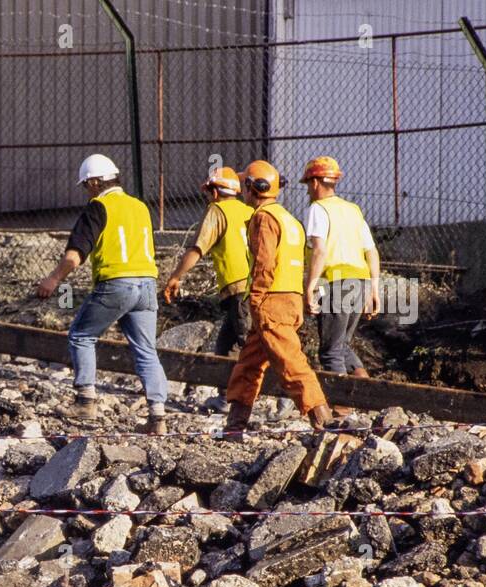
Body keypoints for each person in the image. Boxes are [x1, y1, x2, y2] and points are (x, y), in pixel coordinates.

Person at [36, 154, 169, 434]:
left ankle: (86, 400)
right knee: (146, 350)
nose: (87, 190)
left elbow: (74, 257)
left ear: (95, 182)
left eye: (87, 185)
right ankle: (158, 417)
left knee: (81, 336)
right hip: (147, 284)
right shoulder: (140, 206)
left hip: (116, 283)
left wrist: (52, 280)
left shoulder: (98, 207)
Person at [223, 160, 334, 437]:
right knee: (249, 362)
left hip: (271, 299)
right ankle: (234, 426)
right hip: (289, 298)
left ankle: (323, 418)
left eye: (244, 185)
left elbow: (264, 263)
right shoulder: (289, 218)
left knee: (289, 361)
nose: (242, 190)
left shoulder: (264, 218)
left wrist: (257, 299)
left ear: (253, 188)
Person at [300, 155, 380, 407]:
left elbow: (319, 250)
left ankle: (343, 411)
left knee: (330, 351)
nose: (308, 190)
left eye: (307, 184)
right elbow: (371, 251)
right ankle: (366, 397)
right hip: (361, 282)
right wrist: (374, 288)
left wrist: (310, 285)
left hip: (335, 284)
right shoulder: (352, 210)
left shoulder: (317, 209)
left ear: (314, 182)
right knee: (341, 344)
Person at [163, 165, 254, 357]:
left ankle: (264, 386)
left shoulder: (217, 210)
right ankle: (227, 387)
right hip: (252, 287)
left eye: (207, 194)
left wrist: (175, 277)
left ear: (214, 192)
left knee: (249, 346)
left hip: (239, 290)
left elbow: (197, 249)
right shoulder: (248, 210)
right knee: (225, 349)